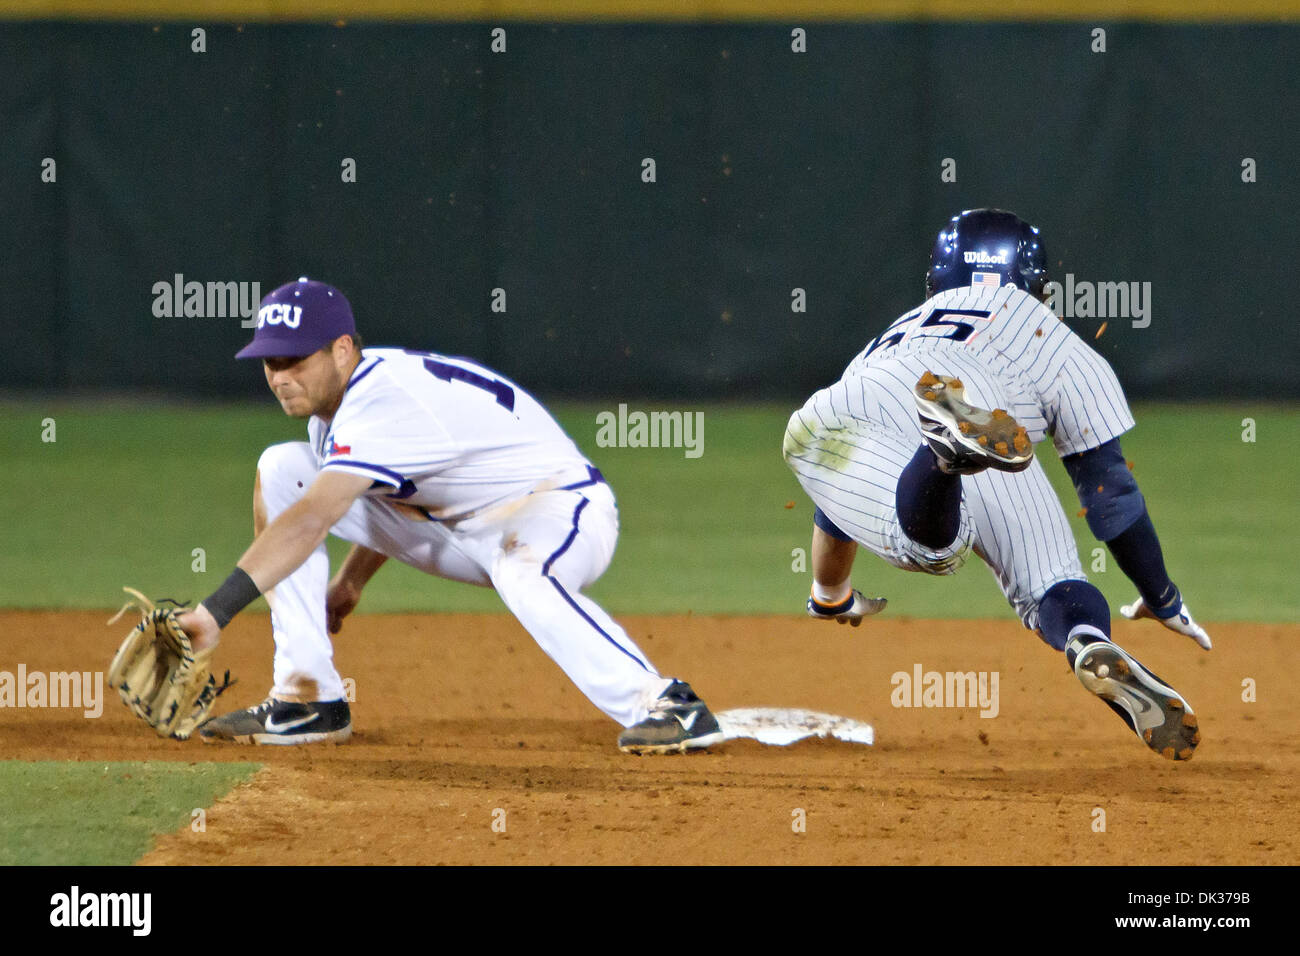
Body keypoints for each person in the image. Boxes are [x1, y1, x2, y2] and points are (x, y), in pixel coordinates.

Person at [177, 277, 723, 755]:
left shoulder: (382, 401)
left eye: (294, 359)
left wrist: (215, 612)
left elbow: (311, 520)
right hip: (458, 526)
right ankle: (307, 698)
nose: (279, 376)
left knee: (522, 568)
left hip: (558, 507)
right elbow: (403, 491)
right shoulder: (336, 411)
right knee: (283, 468)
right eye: (270, 362)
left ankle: (668, 704)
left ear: (342, 350)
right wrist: (350, 582)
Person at [783, 209, 1208, 760]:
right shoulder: (1056, 340)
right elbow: (1112, 499)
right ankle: (1087, 640)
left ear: (939, 277)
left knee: (929, 543)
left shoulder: (902, 327)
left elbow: (839, 503)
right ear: (1037, 283)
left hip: (863, 401)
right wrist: (1161, 594)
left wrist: (831, 593)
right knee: (1053, 582)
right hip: (997, 419)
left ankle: (942, 458)